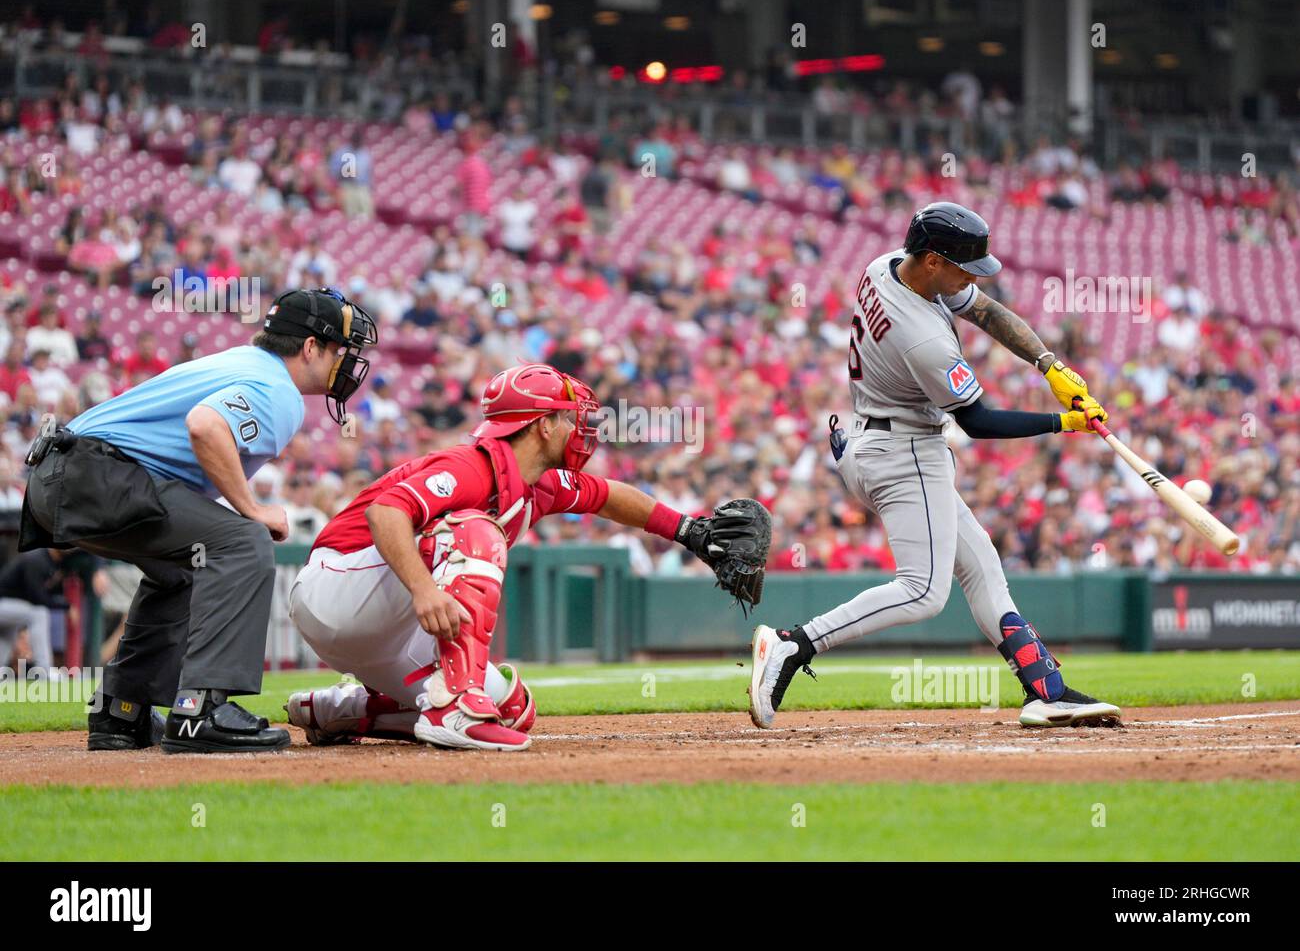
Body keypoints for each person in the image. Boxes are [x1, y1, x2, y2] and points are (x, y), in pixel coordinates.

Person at [748, 202, 1122, 730]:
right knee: (923, 591)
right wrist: (1064, 423)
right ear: (930, 261)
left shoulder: (887, 265)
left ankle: (1047, 691)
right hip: (906, 455)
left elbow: (988, 311)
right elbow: (979, 423)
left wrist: (1049, 364)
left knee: (983, 568)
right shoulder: (923, 336)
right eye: (962, 266)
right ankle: (793, 645)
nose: (970, 276)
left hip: (873, 440)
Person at [286, 363, 750, 750]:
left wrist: (691, 531)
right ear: (542, 424)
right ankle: (455, 707)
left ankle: (341, 711)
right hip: (337, 591)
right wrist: (423, 589)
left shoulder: (537, 481)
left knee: (513, 711)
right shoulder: (470, 465)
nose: (579, 428)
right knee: (476, 530)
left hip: (385, 630)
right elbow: (386, 513)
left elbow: (609, 497)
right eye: (570, 418)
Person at [20, 287, 377, 753]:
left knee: (184, 568)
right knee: (245, 540)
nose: (347, 363)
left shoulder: (243, 362)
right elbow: (206, 425)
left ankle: (121, 711)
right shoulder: (278, 390)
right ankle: (202, 710)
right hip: (96, 475)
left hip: (61, 475)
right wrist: (252, 508)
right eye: (340, 351)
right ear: (311, 347)